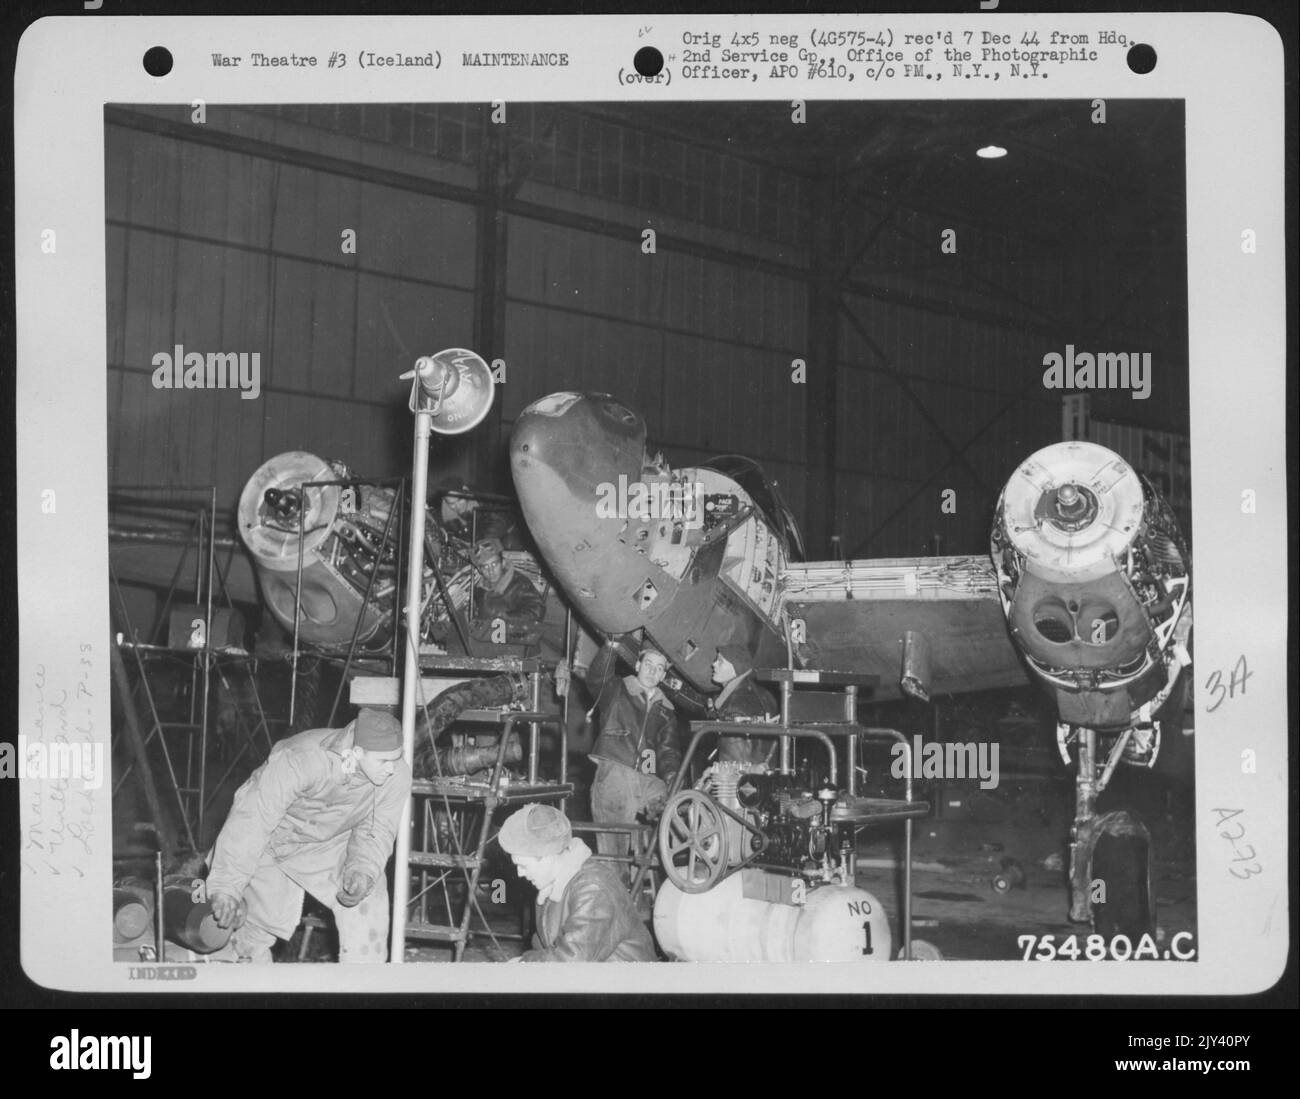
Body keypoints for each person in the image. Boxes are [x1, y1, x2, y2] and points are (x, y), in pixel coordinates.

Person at [205, 708, 411, 963]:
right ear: (357, 753)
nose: (392, 769)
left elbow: (378, 830)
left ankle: (363, 985)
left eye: (397, 758)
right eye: (383, 761)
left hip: (327, 842)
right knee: (252, 933)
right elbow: (253, 818)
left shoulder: (397, 775)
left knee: (369, 898)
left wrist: (363, 870)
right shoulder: (303, 759)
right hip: (271, 838)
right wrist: (227, 886)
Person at [498, 803, 656, 962]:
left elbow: (573, 960)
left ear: (548, 856)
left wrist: (525, 963)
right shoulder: (550, 887)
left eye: (523, 866)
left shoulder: (593, 889)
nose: (519, 873)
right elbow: (543, 944)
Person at [589, 645, 683, 867]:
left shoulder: (666, 710)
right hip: (615, 772)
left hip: (645, 779)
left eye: (659, 668)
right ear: (638, 665)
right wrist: (610, 649)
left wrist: (675, 787)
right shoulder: (616, 689)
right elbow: (595, 679)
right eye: (648, 665)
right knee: (616, 856)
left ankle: (658, 866)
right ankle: (618, 889)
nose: (652, 671)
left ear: (663, 675)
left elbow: (668, 752)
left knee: (669, 796)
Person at [710, 644, 779, 767]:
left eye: (720, 661)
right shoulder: (764, 694)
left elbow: (731, 764)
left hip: (744, 783)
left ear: (736, 667)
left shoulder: (733, 708)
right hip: (766, 778)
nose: (714, 664)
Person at [470, 537, 545, 628]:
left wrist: (504, 618)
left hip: (512, 636)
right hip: (484, 636)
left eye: (494, 564)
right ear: (479, 570)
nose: (491, 571)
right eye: (485, 567)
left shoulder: (519, 584)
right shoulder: (478, 587)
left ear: (503, 562)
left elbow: (537, 610)